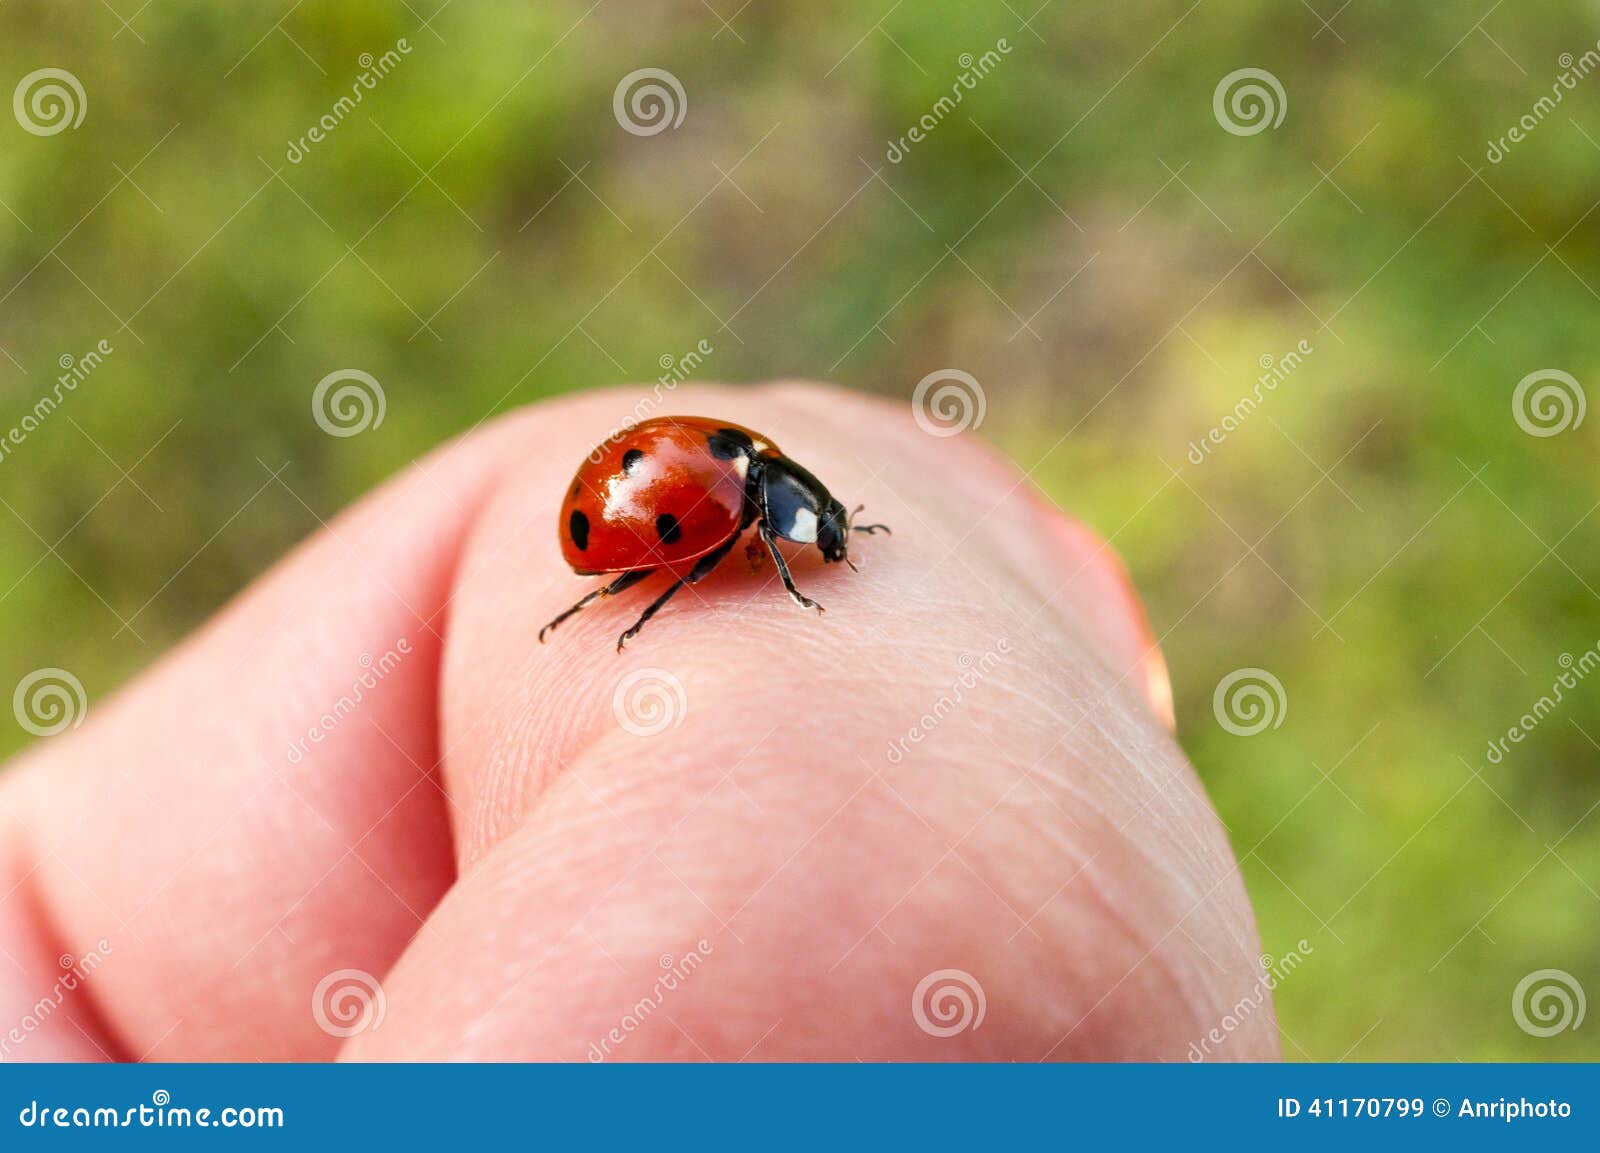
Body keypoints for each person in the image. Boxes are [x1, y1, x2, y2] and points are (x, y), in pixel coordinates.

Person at [0, 383, 1276, 1061]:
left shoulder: (751, 489)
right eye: (814, 538)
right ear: (785, 515)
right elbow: (716, 542)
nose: (816, 551)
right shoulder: (728, 508)